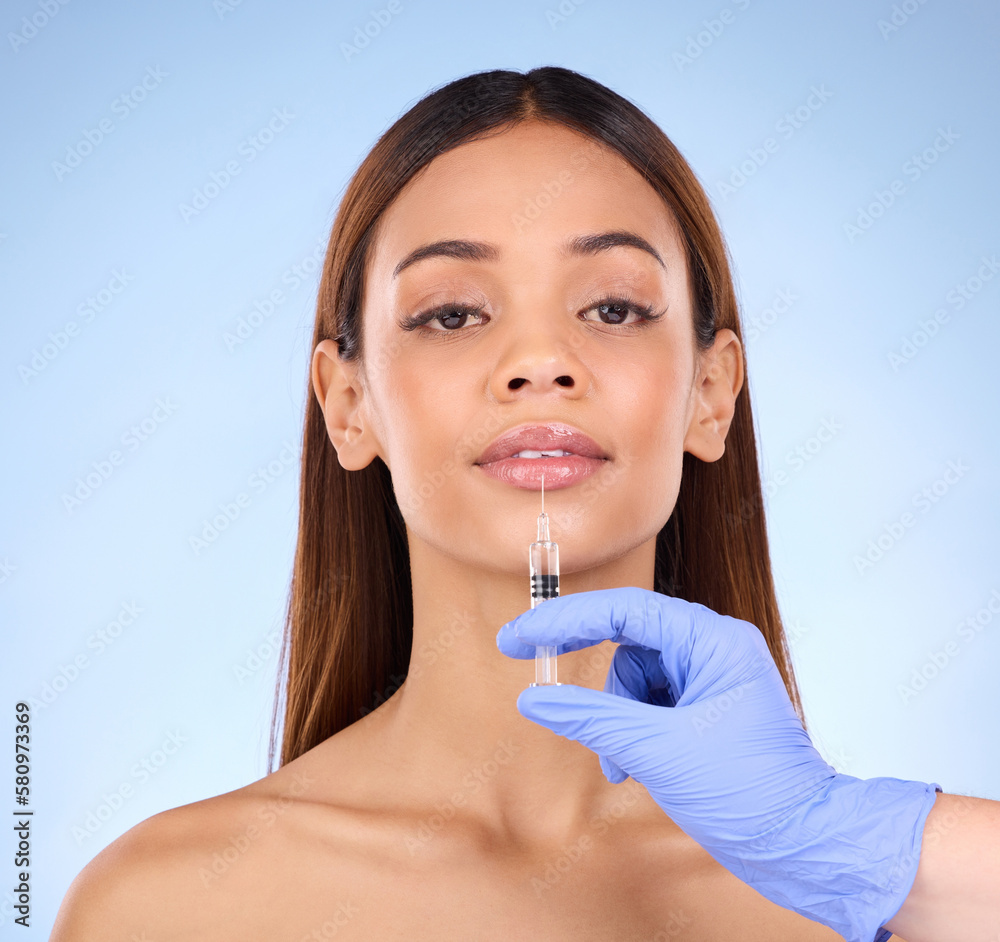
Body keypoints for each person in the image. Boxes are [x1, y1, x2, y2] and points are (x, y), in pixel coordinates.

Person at [50, 66, 999, 942]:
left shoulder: (860, 893)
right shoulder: (167, 906)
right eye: (452, 314)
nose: (540, 363)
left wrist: (840, 839)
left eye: (614, 308)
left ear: (710, 392)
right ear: (348, 405)